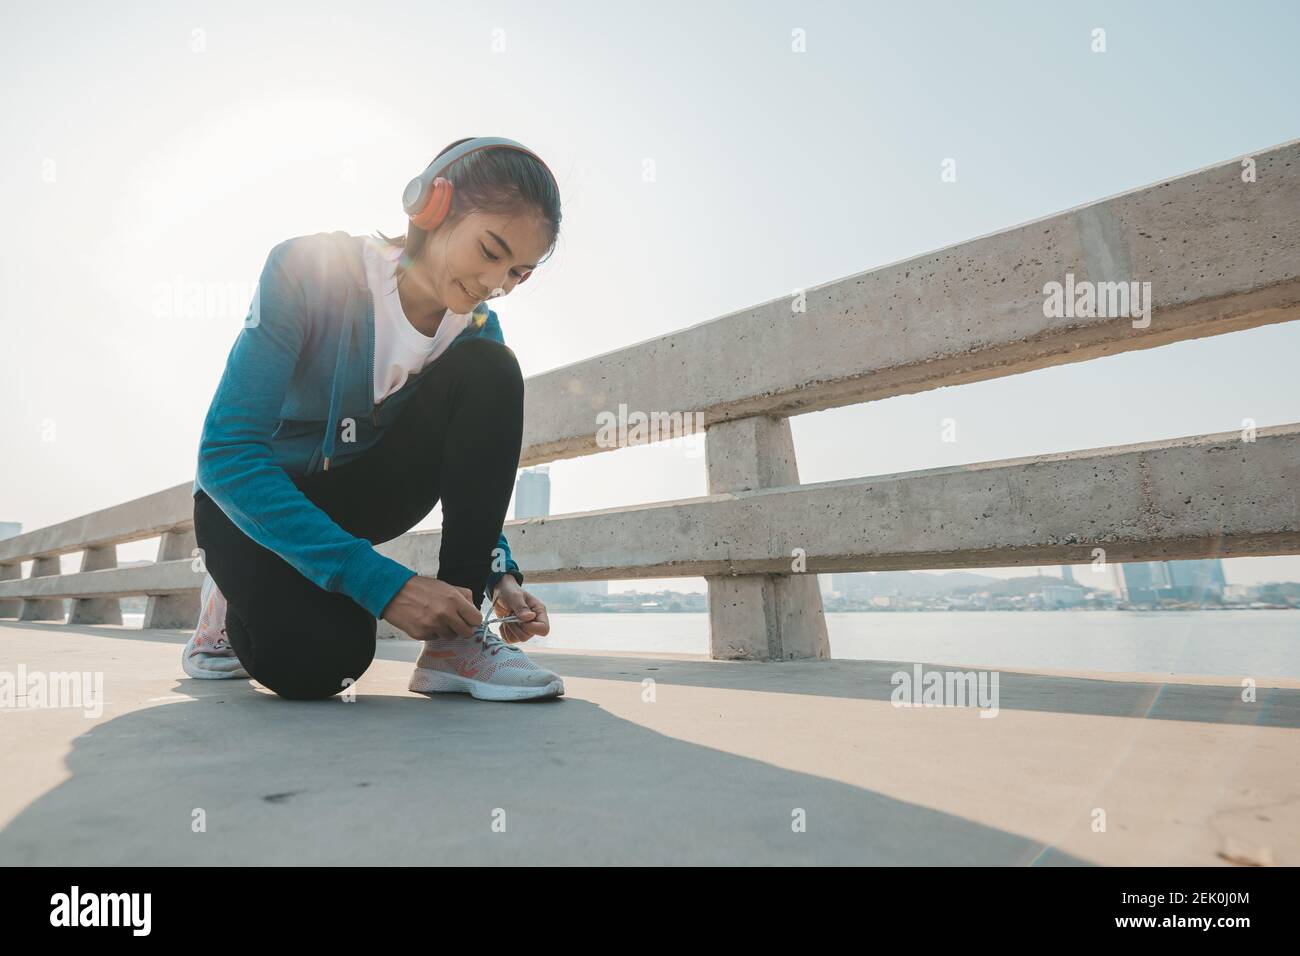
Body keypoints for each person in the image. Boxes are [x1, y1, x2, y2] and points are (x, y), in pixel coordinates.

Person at [184, 136, 563, 702]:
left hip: (358, 500)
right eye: (490, 251)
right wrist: (387, 586)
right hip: (250, 506)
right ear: (433, 208)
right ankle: (230, 597)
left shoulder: (476, 331)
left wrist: (497, 575)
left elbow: (472, 474)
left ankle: (454, 647)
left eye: (518, 273)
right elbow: (226, 454)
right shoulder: (307, 270)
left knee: (492, 369)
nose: (495, 284)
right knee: (321, 666)